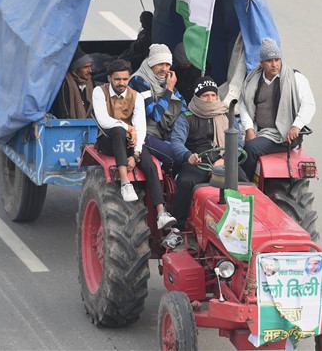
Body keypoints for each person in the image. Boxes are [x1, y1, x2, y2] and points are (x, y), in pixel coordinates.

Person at [91, 59, 176, 230]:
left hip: (131, 141)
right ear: (109, 79)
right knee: (117, 130)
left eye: (125, 79)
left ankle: (161, 213)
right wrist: (129, 128)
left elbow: (141, 127)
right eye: (117, 79)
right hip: (108, 139)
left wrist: (136, 155)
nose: (121, 83)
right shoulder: (99, 92)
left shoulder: (135, 96)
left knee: (151, 166)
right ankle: (125, 183)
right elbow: (104, 120)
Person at [164, 76, 248, 248]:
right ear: (197, 97)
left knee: (245, 183)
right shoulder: (186, 117)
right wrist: (188, 155)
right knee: (186, 183)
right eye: (205, 96)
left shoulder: (226, 115)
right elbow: (177, 142)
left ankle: (244, 225)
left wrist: (224, 161)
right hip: (197, 163)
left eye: (213, 95)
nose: (210, 99)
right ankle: (178, 229)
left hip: (223, 163)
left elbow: (238, 142)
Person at [239, 38, 316, 180]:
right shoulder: (253, 80)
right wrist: (249, 129)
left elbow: (309, 105)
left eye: (277, 60)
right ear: (262, 63)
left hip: (284, 134)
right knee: (234, 151)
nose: (274, 65)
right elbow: (245, 105)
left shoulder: (295, 78)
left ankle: (244, 185)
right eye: (269, 61)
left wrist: (296, 126)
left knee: (250, 149)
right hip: (258, 130)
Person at [128, 44, 187, 174]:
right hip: (142, 134)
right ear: (151, 63)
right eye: (160, 64)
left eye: (167, 65)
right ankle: (166, 183)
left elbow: (184, 108)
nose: (164, 69)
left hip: (163, 132)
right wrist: (169, 90)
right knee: (175, 156)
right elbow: (155, 115)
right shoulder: (139, 80)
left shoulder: (164, 81)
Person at [49, 50, 94, 119]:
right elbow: (63, 111)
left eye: (90, 66)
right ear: (76, 69)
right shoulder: (65, 83)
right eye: (86, 67)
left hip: (90, 126)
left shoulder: (90, 82)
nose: (90, 70)